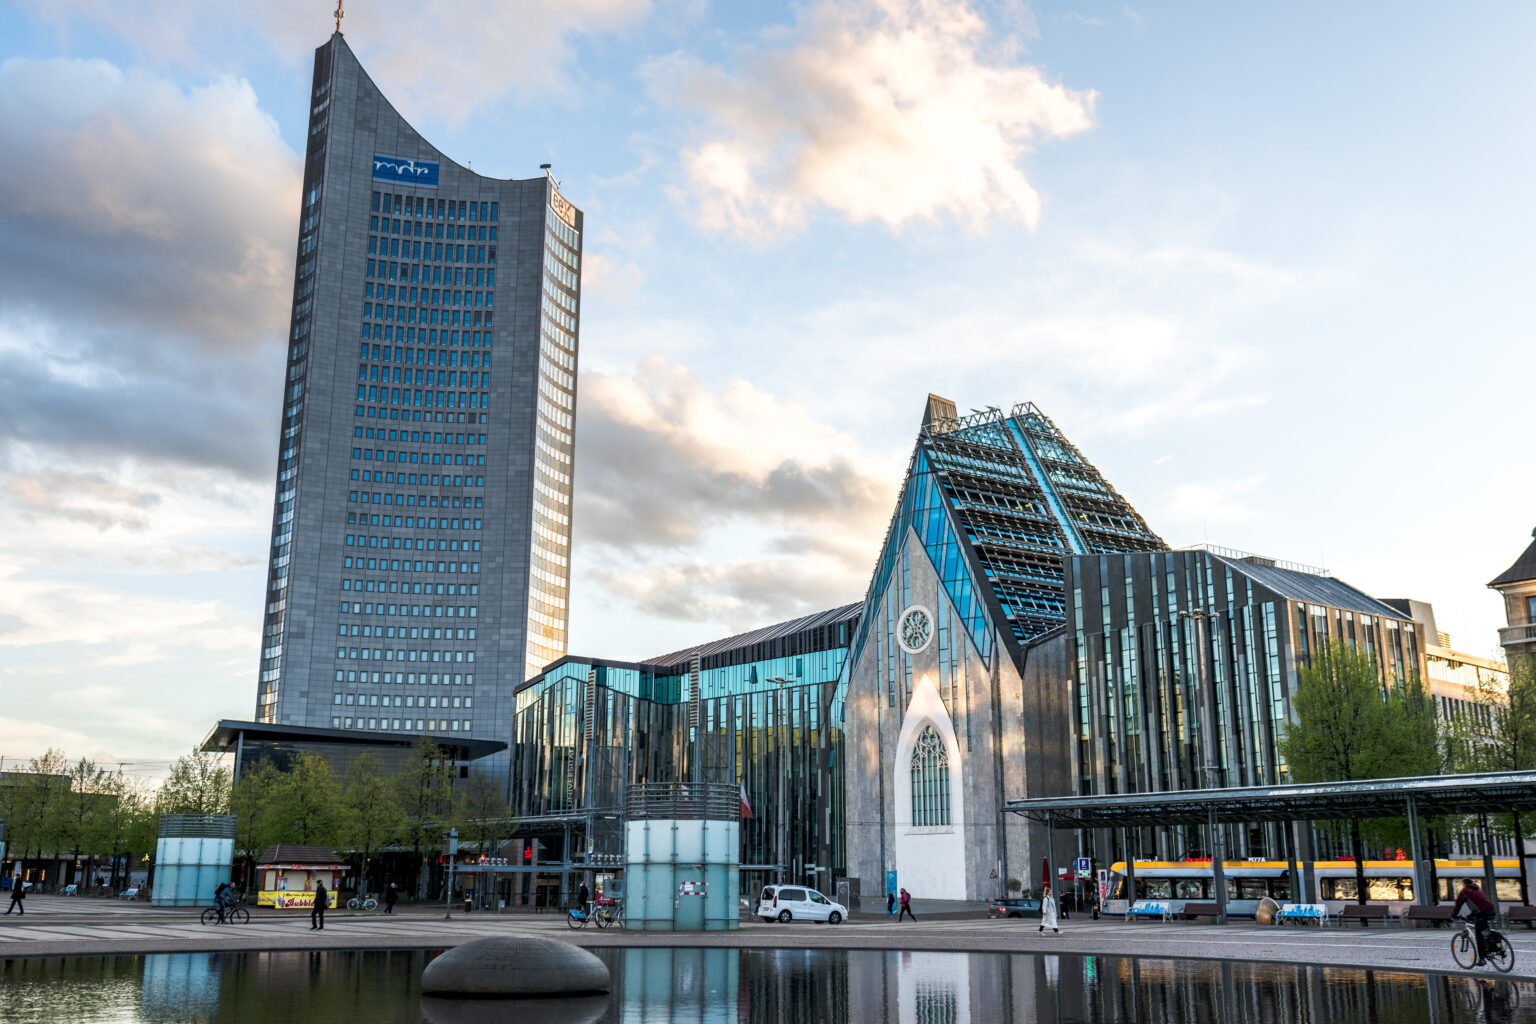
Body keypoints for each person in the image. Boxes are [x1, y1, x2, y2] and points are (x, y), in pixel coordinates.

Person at [1453, 877, 1497, 962]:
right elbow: (1479, 903)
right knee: (1484, 930)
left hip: (1482, 913)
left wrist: (1454, 915)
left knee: (1479, 936)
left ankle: (1482, 959)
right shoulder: (1478, 889)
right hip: (1491, 911)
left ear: (1464, 884)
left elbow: (1458, 904)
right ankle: (1491, 949)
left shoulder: (1465, 891)